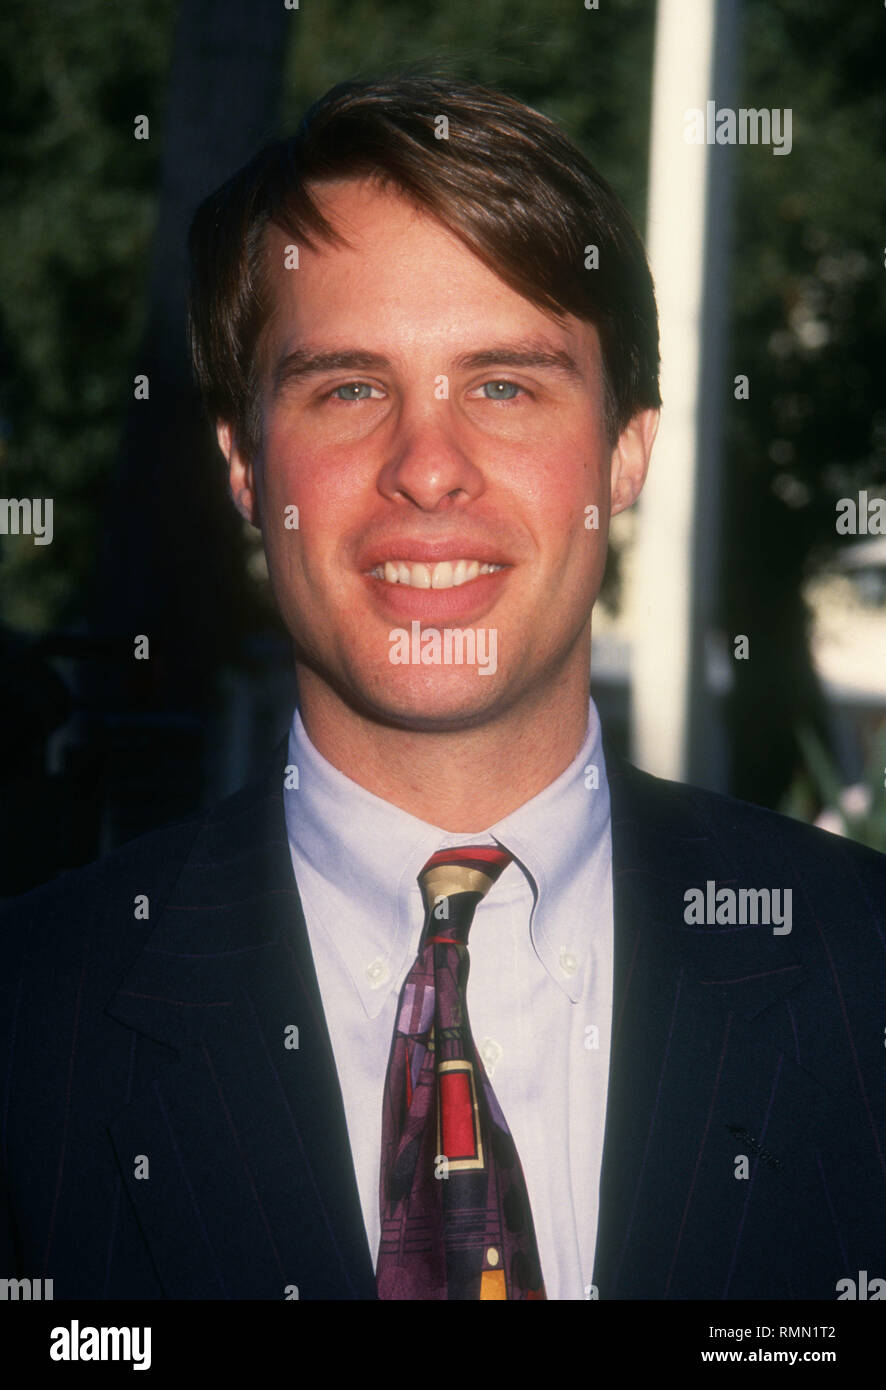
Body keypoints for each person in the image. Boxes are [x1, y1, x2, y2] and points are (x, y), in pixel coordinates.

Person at [2, 75, 884, 1302]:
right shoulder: (31, 1022)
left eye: (505, 384)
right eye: (350, 387)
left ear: (626, 449)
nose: (428, 469)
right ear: (242, 463)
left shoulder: (862, 971)